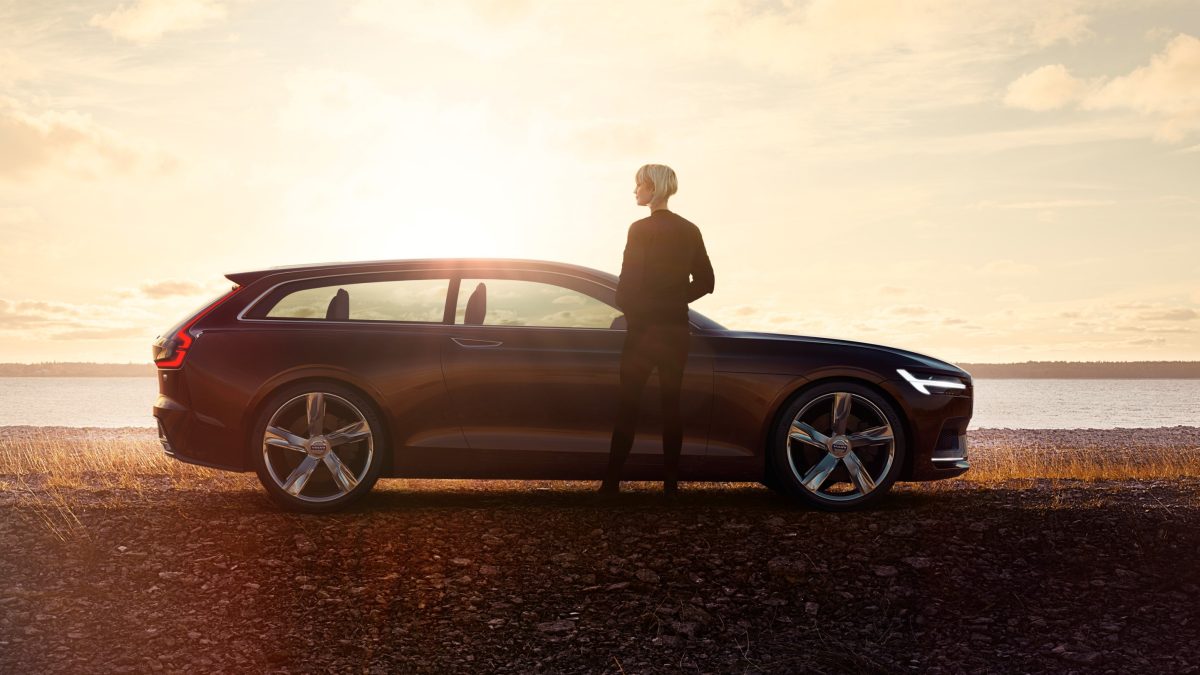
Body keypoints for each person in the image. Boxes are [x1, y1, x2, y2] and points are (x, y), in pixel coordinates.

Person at [597, 163, 715, 498]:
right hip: (676, 330)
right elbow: (707, 282)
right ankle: (670, 486)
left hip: (643, 331)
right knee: (671, 404)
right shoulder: (690, 229)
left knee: (628, 404)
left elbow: (627, 284)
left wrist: (636, 312)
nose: (635, 191)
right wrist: (675, 299)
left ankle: (610, 484)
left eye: (638, 185)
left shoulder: (640, 228)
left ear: (652, 188)